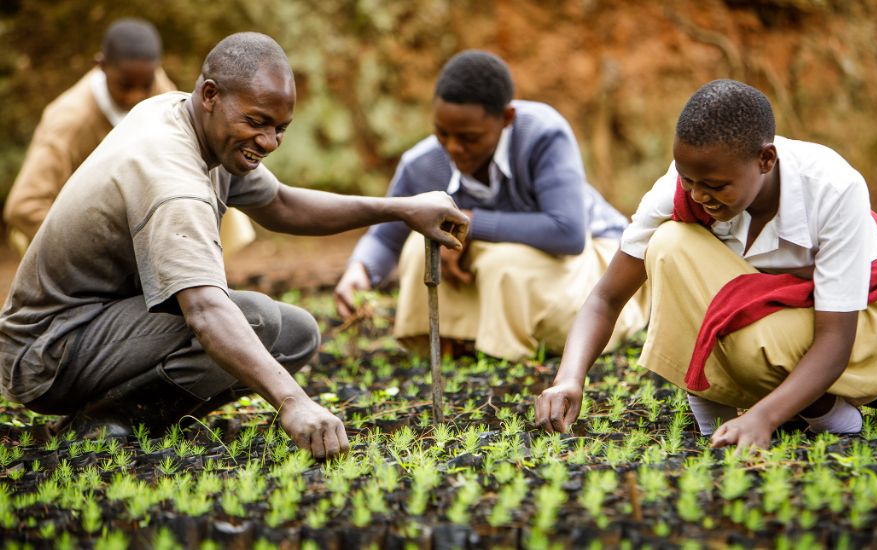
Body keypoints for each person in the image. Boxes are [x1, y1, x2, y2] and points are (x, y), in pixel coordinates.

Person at [0, 32, 468, 459]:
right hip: (48, 352)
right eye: (257, 122)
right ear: (210, 95)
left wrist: (402, 208)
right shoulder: (172, 178)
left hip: (98, 327)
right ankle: (111, 422)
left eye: (281, 128)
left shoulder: (191, 120)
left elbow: (282, 203)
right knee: (255, 321)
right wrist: (294, 403)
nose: (268, 141)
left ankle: (114, 414)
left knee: (295, 332)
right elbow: (205, 311)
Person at [535, 79, 877, 448]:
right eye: (689, 180)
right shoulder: (683, 185)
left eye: (716, 186)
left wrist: (763, 418)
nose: (698, 195)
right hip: (767, 317)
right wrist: (569, 378)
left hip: (866, 329)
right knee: (670, 244)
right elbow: (607, 297)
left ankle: (826, 411)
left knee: (753, 338)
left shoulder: (832, 188)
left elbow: (835, 340)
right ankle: (715, 408)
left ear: (765, 160)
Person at [335, 50, 648, 361]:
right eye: (442, 133)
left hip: (589, 255)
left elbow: (567, 232)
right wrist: (359, 272)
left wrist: (469, 224)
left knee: (504, 264)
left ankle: (521, 344)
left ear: (507, 119)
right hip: (506, 261)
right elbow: (384, 237)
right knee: (420, 248)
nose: (454, 148)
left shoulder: (543, 135)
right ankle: (460, 341)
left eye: (470, 138)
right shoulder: (423, 163)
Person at [3, 18, 255, 258]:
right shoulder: (70, 120)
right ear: (100, 66)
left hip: (131, 211)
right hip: (76, 228)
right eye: (125, 86)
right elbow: (24, 206)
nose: (135, 96)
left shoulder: (157, 88)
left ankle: (205, 274)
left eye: (144, 85)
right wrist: (92, 251)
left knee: (215, 181)